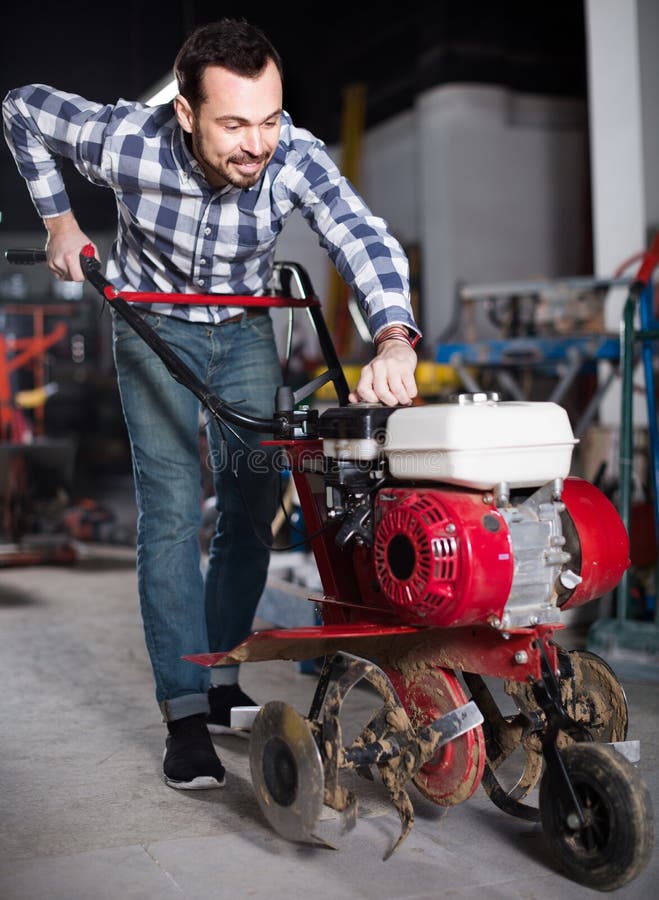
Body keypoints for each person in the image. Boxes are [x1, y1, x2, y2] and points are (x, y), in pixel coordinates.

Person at [3, 18, 421, 790]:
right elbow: (22, 106)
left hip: (245, 330)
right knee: (167, 513)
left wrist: (393, 335)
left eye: (267, 120)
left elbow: (359, 233)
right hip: (153, 324)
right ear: (187, 113)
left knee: (250, 501)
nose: (256, 145)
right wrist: (57, 216)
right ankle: (186, 714)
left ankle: (224, 671)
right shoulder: (124, 140)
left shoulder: (290, 153)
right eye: (234, 124)